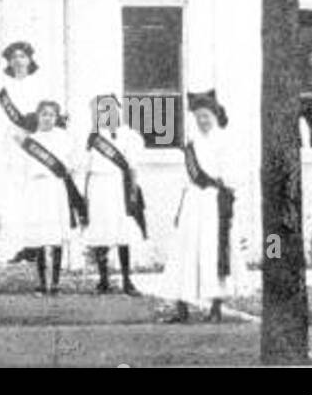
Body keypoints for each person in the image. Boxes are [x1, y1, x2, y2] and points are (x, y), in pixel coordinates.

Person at [0, 100, 86, 295]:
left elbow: (75, 162)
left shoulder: (64, 138)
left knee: (56, 237)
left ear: (56, 118)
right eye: (44, 114)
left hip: (56, 188)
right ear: (38, 116)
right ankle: (43, 283)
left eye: (51, 115)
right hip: (37, 189)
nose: (47, 118)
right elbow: (21, 169)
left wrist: (67, 170)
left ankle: (55, 283)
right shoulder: (30, 141)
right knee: (41, 237)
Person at [164, 90, 238, 323]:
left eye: (206, 116)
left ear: (214, 116)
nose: (202, 120)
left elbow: (231, 176)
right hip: (192, 202)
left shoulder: (224, 141)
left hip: (213, 202)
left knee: (212, 251)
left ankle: (215, 306)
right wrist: (180, 208)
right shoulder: (192, 144)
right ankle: (182, 306)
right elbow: (185, 180)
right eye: (198, 117)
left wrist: (226, 195)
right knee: (185, 251)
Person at [82, 94, 146, 295]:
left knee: (122, 231)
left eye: (110, 109)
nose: (106, 114)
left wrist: (133, 192)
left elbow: (132, 167)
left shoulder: (129, 135)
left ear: (118, 111)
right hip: (97, 186)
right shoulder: (93, 137)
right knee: (100, 230)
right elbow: (86, 170)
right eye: (102, 110)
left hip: (118, 185)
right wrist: (85, 195)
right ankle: (103, 281)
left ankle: (127, 280)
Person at [0, 40, 47, 135]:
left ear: (29, 60)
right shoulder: (3, 84)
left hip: (34, 133)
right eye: (14, 57)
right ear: (10, 62)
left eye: (22, 56)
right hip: (9, 133)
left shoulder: (39, 83)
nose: (18, 60)